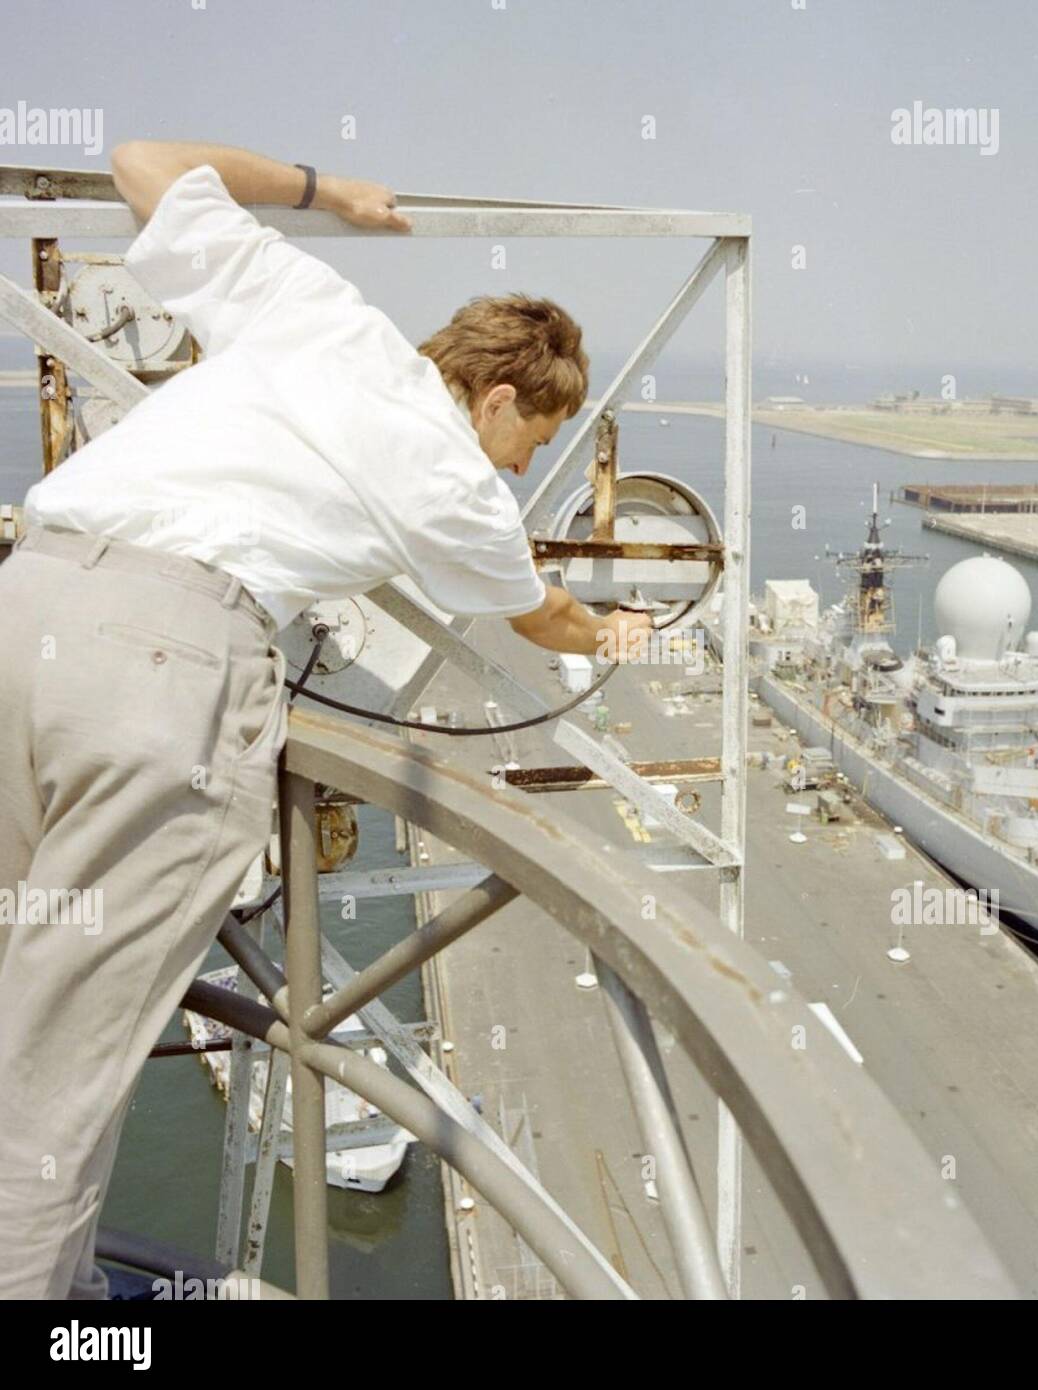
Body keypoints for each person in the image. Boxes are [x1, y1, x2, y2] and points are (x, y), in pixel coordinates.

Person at [0, 139, 651, 1299]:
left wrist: (326, 193)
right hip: (163, 670)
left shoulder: (323, 312)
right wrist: (615, 630)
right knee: (57, 1071)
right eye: (531, 445)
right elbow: (541, 613)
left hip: (28, 599)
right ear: (499, 399)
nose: (517, 474)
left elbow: (140, 160)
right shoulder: (456, 486)